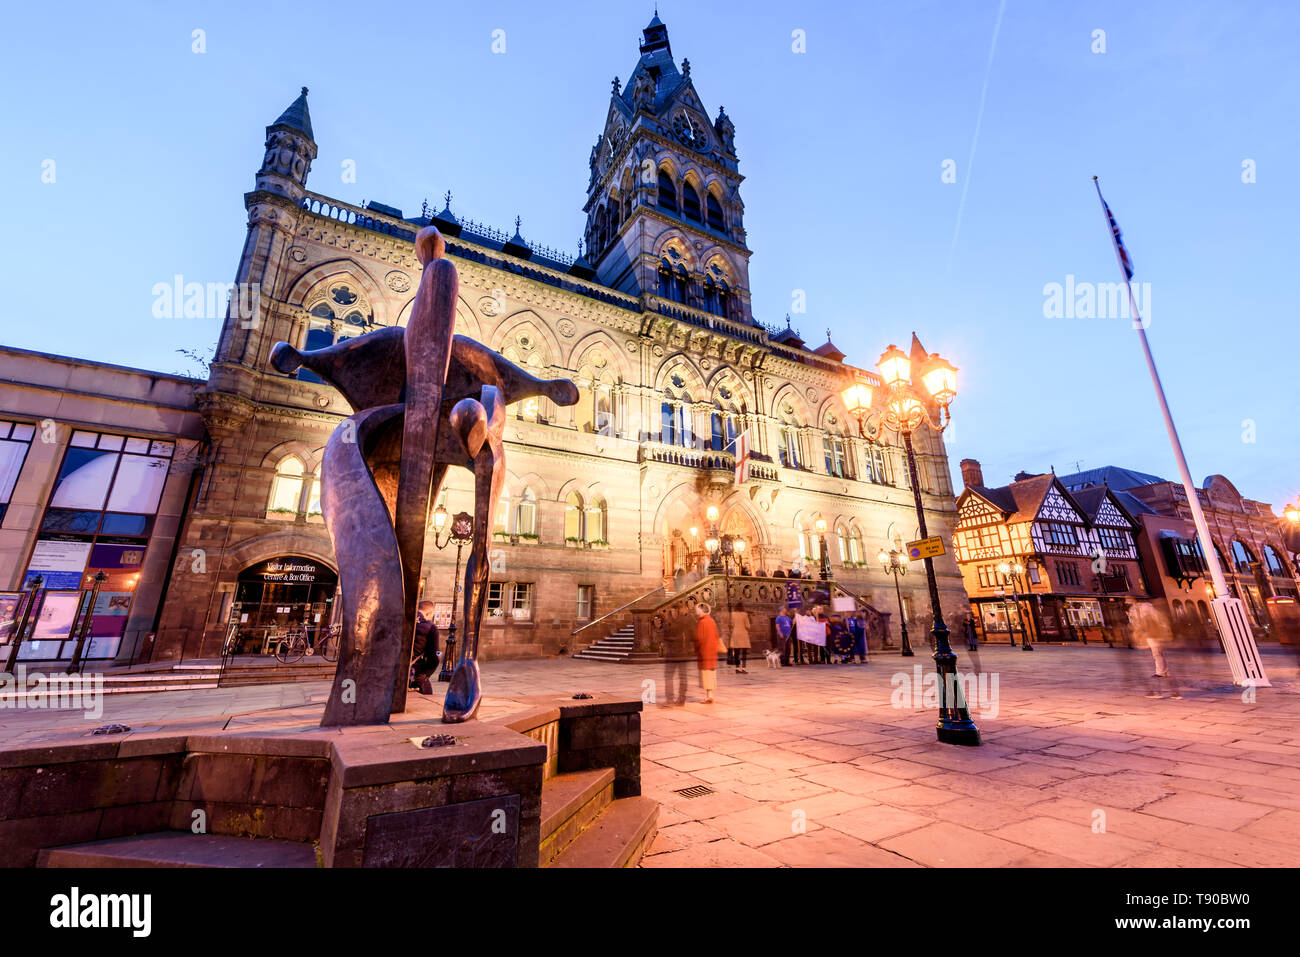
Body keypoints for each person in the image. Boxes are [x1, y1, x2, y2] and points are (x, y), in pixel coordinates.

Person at [410, 601, 440, 696]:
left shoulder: (404, 621)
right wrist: (427, 674)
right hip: (417, 672)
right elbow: (436, 655)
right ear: (429, 613)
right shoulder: (431, 627)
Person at [693, 602, 720, 703]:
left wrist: (696, 649)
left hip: (705, 652)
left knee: (706, 674)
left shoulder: (702, 622)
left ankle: (709, 696)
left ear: (701, 610)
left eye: (697, 610)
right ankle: (710, 694)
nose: (696, 612)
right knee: (711, 673)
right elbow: (716, 636)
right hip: (712, 651)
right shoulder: (711, 621)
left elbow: (698, 638)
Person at [729, 600, 752, 673]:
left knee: (736, 652)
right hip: (743, 634)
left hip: (735, 633)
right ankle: (744, 668)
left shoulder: (732, 614)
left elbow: (731, 625)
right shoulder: (744, 614)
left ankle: (737, 668)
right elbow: (747, 626)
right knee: (744, 652)